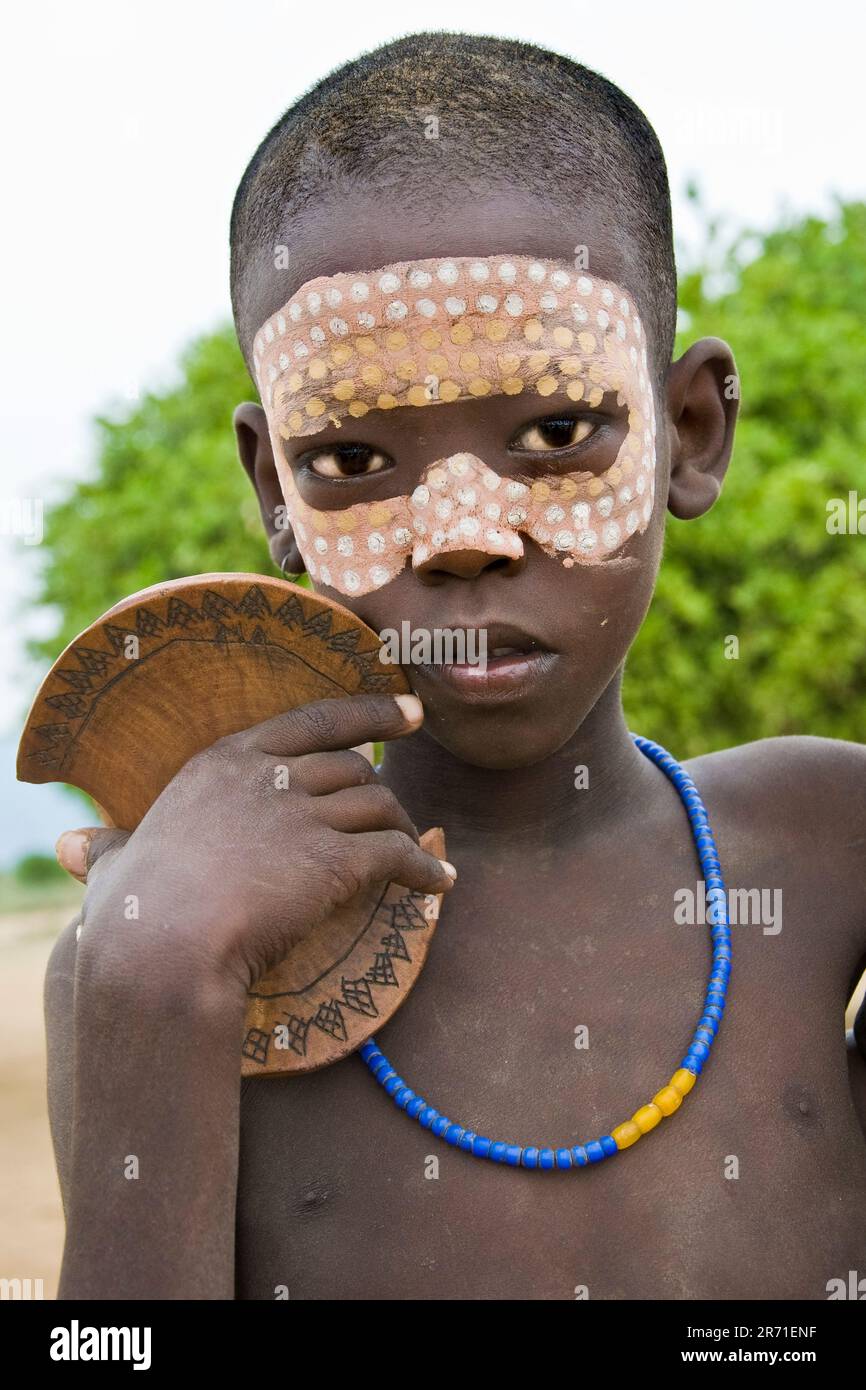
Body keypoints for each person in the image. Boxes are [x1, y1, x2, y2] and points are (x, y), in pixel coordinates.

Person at [47, 31, 866, 1301]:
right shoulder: (168, 946)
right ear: (275, 489)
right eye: (353, 462)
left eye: (553, 431)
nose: (465, 538)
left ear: (687, 433)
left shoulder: (832, 849)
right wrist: (160, 978)